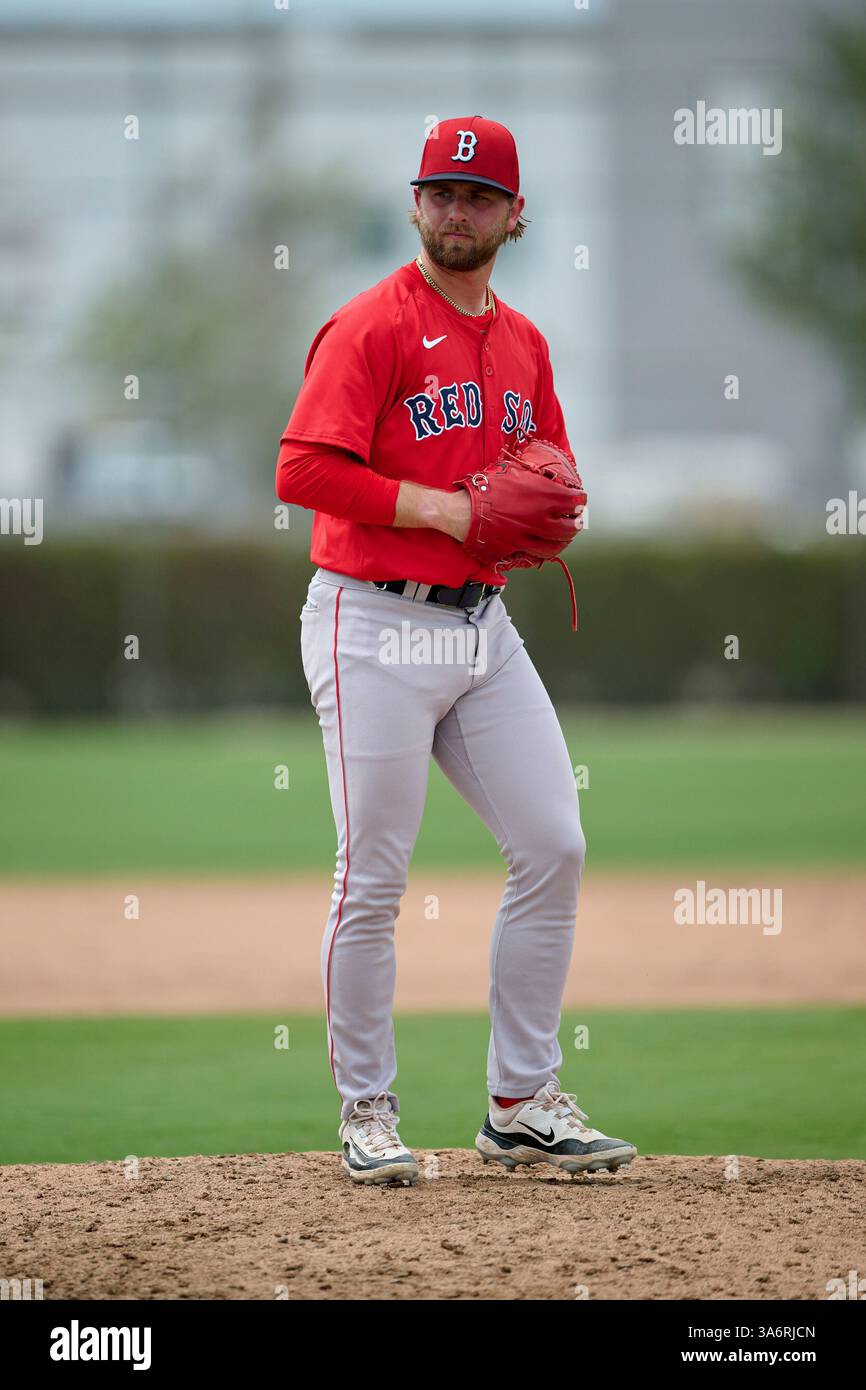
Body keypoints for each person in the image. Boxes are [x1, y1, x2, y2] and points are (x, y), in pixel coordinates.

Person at [275, 116, 636, 1185]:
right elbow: (301, 468)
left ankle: (520, 1101)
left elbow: (551, 474)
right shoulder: (370, 325)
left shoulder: (524, 342)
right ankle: (368, 1112)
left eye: (478, 196)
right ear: (413, 202)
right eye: (439, 190)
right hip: (367, 622)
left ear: (514, 215)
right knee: (373, 877)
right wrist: (443, 507)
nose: (456, 209)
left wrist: (546, 510)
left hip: (482, 628)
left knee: (552, 843)